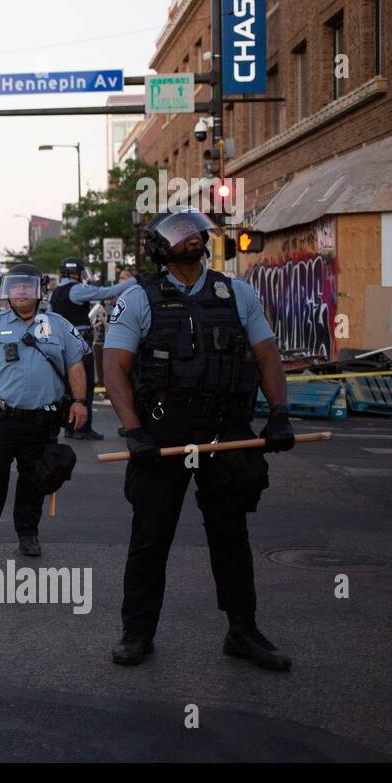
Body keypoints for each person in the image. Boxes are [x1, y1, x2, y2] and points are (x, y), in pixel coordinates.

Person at [103, 207, 295, 670]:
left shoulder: (237, 293)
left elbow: (267, 357)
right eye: (180, 234)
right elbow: (115, 369)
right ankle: (137, 633)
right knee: (151, 535)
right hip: (164, 430)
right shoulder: (138, 299)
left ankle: (243, 632)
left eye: (195, 233)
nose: (192, 239)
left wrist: (280, 416)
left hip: (225, 430)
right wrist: (134, 432)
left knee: (231, 534)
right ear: (159, 249)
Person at [0, 262, 89, 559]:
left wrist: (80, 401)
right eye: (15, 286)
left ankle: (28, 534)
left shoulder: (59, 325)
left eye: (26, 286)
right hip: (2, 421)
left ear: (39, 291)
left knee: (35, 480)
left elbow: (76, 364)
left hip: (42, 421)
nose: (20, 292)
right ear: (7, 291)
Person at [49, 257, 137, 440]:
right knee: (85, 385)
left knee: (68, 387)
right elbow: (107, 292)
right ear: (76, 273)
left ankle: (70, 426)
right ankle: (82, 428)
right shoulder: (77, 289)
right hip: (78, 345)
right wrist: (134, 281)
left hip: (60, 344)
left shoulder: (55, 292)